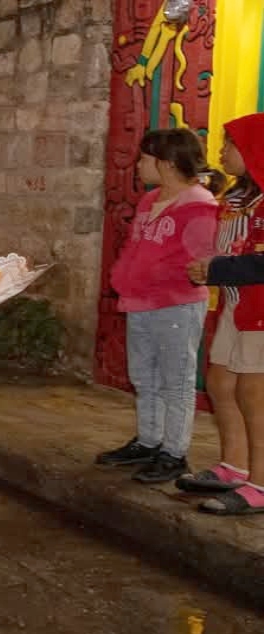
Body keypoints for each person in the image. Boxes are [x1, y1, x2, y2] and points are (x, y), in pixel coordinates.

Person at [96, 129, 218, 483]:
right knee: (143, 376)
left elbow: (197, 262)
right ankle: (149, 440)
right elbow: (134, 247)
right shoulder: (150, 201)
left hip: (175, 305)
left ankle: (174, 452)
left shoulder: (199, 205)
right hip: (140, 302)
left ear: (164, 164)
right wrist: (124, 278)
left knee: (175, 381)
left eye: (144, 159)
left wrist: (148, 279)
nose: (138, 165)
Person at [179, 112, 264, 514]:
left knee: (255, 393)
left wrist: (215, 268)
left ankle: (261, 483)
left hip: (260, 308)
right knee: (221, 382)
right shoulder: (236, 197)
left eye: (230, 143)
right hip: (236, 302)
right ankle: (235, 464)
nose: (221, 151)